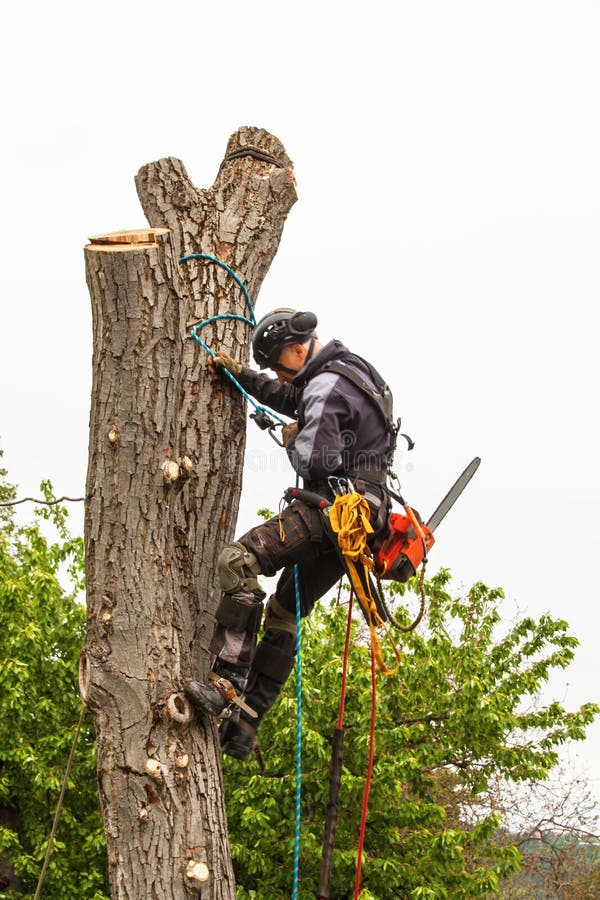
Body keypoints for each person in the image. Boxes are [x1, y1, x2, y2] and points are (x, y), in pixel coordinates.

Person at [184, 308, 397, 760]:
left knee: (236, 562)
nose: (278, 374)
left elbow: (314, 460)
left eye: (279, 364)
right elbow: (292, 395)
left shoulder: (325, 386)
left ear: (298, 349)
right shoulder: (351, 369)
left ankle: (227, 681)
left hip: (332, 510)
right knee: (284, 610)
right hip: (358, 524)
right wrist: (243, 376)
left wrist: (292, 437)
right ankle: (245, 724)